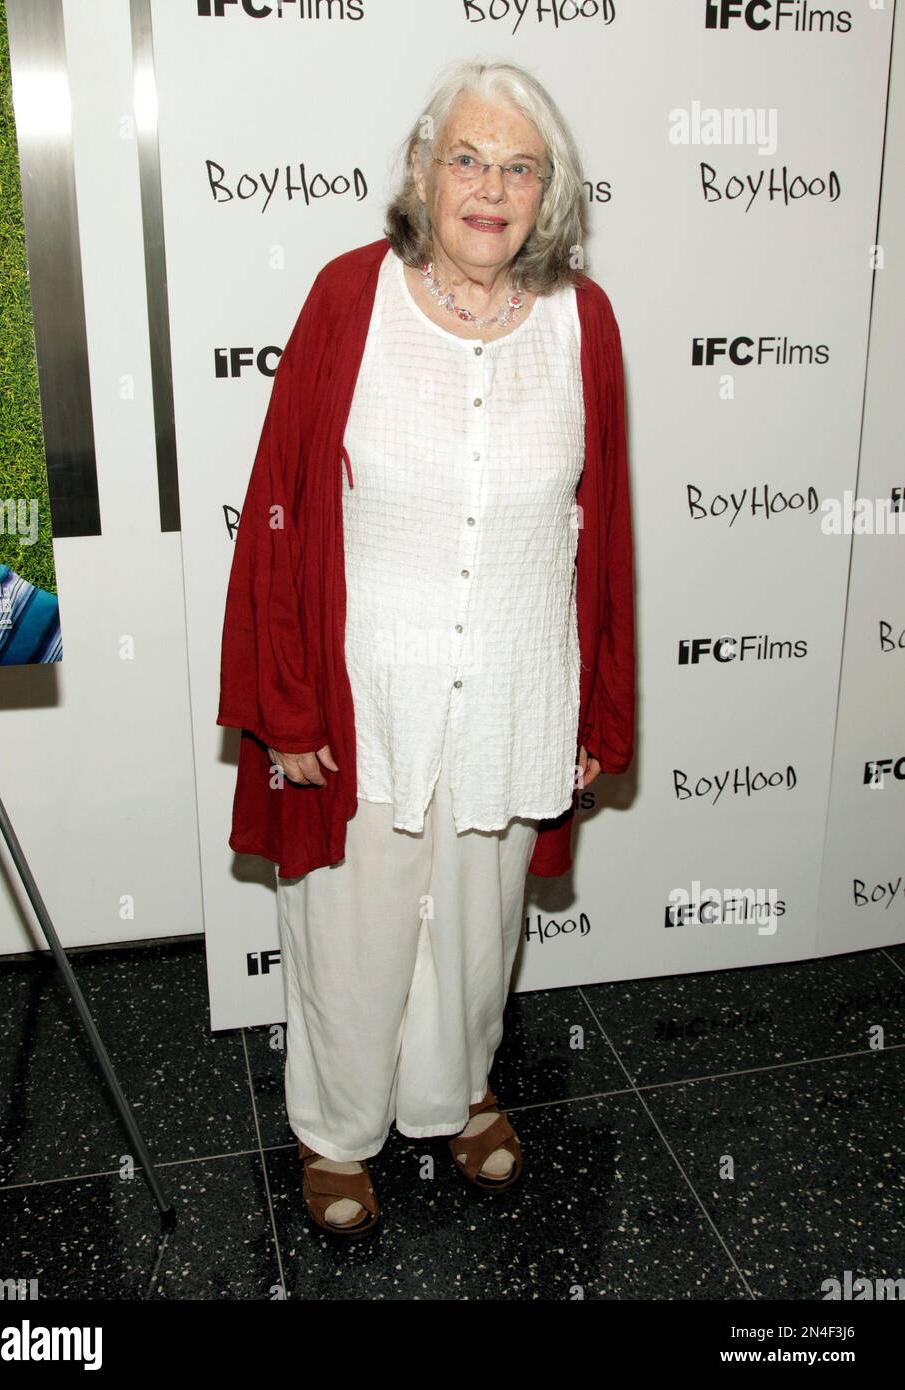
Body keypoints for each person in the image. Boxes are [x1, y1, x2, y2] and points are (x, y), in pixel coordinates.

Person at [218, 59, 636, 1237]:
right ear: (420, 169)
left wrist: (598, 712)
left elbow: (601, 534)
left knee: (476, 921)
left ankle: (456, 1093)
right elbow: (283, 510)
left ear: (548, 192)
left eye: (519, 167)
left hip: (515, 680)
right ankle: (336, 1131)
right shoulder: (350, 297)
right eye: (468, 159)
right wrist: (287, 708)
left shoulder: (580, 320)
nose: (491, 189)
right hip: (370, 689)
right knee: (350, 927)